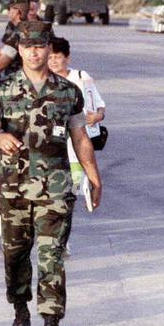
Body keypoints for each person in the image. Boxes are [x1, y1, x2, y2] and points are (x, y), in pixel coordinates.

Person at [0, 18, 101, 326]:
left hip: (56, 188)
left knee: (52, 256)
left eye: (40, 45)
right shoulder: (2, 87)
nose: (34, 52)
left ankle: (51, 324)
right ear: (19, 49)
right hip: (14, 188)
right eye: (28, 46)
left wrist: (92, 173)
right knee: (14, 256)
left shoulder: (67, 92)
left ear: (49, 48)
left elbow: (79, 135)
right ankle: (20, 312)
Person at [47, 37, 105, 207]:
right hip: (54, 143)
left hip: (79, 140)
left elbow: (100, 105)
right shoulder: (43, 80)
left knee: (73, 187)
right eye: (50, 57)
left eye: (57, 57)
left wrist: (97, 116)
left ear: (67, 58)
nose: (53, 61)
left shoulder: (80, 77)